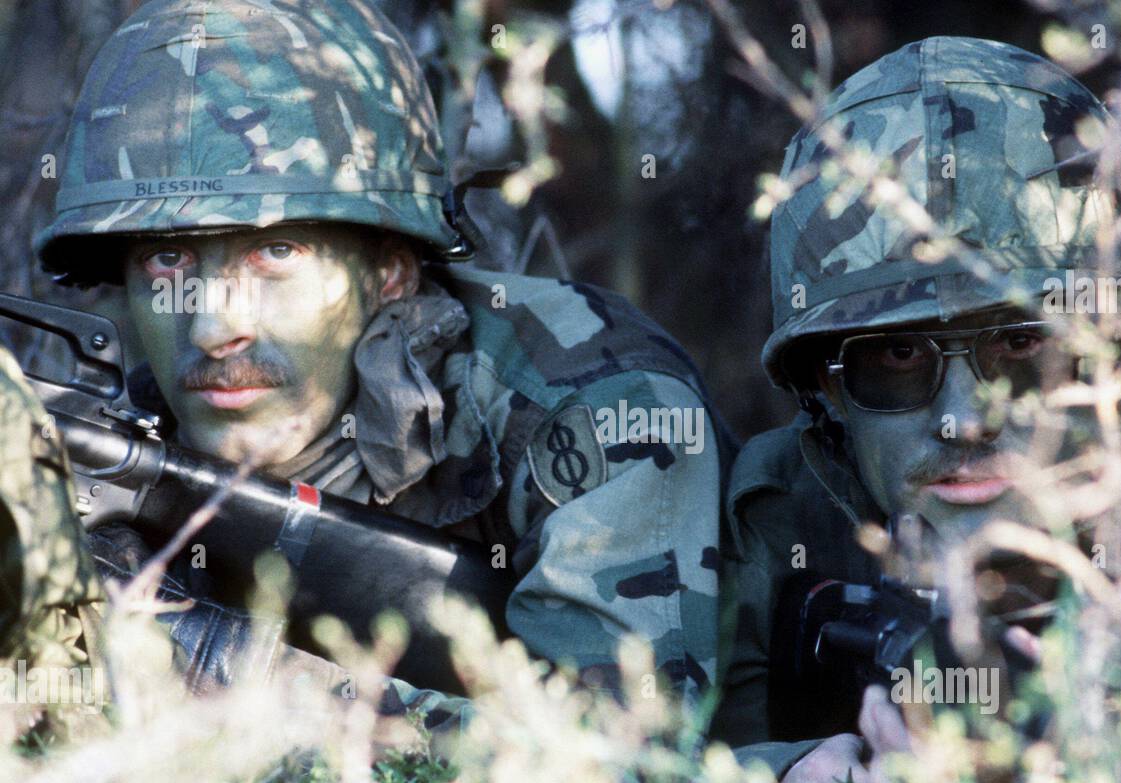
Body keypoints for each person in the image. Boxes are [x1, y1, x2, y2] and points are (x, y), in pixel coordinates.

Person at [9, 0, 724, 728]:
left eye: (275, 252)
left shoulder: (595, 402)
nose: (214, 326)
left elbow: (623, 755)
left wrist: (217, 669)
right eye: (168, 260)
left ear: (390, 273)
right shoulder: (109, 455)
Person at [711, 36, 1121, 783]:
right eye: (897, 357)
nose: (965, 421)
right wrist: (789, 780)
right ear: (824, 391)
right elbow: (640, 777)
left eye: (1025, 346)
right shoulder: (784, 512)